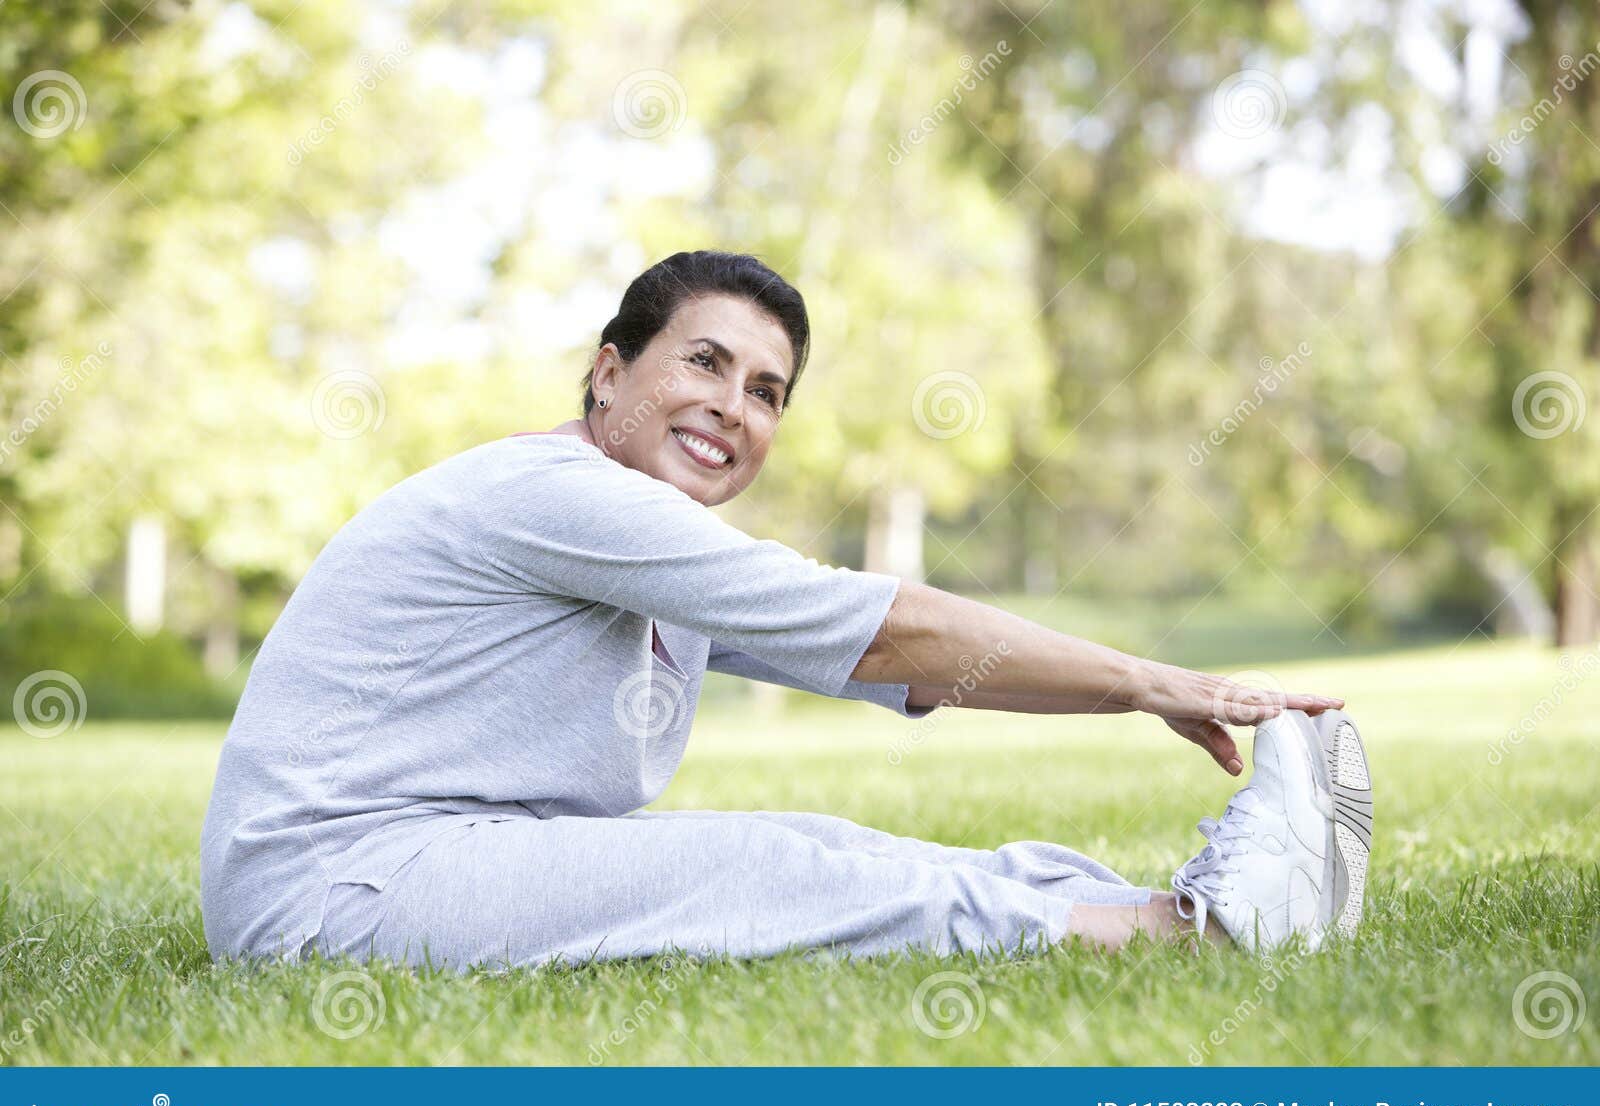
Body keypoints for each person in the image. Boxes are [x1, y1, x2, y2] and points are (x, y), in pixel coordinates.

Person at [199, 250, 1372, 970]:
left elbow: (909, 669)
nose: (733, 408)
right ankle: (1199, 933)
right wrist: (1156, 683)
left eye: (765, 391)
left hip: (441, 852)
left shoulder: (640, 535)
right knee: (750, 862)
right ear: (608, 371)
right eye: (702, 363)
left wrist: (1134, 690)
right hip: (333, 886)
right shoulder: (553, 493)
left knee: (824, 843)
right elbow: (888, 624)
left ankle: (1137, 901)